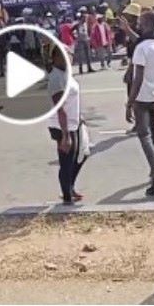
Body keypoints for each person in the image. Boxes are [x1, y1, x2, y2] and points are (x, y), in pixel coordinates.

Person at [128, 10, 154, 197]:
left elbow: (137, 79)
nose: (139, 26)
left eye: (141, 23)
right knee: (153, 133)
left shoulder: (141, 49)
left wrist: (129, 102)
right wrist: (128, 30)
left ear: (148, 26)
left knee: (144, 135)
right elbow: (141, 39)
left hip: (142, 97)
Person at [49, 69, 84, 205]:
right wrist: (65, 134)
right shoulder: (56, 77)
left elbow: (72, 100)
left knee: (82, 154)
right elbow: (60, 108)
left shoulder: (65, 74)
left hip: (73, 122)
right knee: (67, 161)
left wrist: (79, 116)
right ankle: (67, 196)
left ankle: (70, 187)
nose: (70, 56)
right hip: (61, 126)